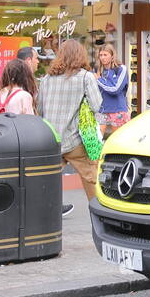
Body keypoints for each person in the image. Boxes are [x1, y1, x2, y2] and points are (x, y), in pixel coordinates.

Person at [36, 40, 102, 217]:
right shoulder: (85, 77)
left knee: (47, 178)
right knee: (91, 177)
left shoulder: (47, 79)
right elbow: (97, 105)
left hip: (50, 141)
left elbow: (40, 110)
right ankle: (99, 213)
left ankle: (44, 214)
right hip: (74, 140)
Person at [94, 45, 130, 137]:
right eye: (101, 55)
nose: (102, 57)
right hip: (101, 108)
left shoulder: (121, 69)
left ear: (112, 55)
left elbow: (115, 89)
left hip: (118, 109)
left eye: (105, 55)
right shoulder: (97, 69)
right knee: (96, 140)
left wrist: (99, 80)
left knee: (118, 140)